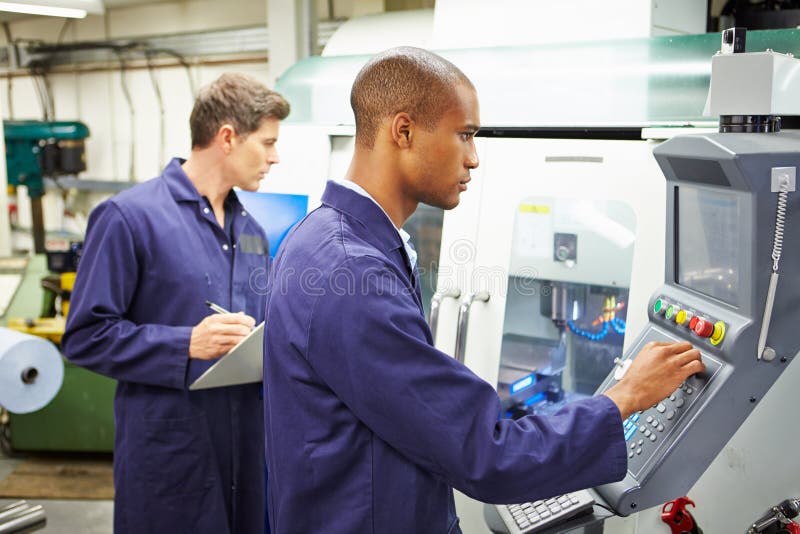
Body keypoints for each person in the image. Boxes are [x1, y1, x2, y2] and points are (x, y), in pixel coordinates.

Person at [262, 47, 704, 533]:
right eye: (465, 135)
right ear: (403, 131)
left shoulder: (320, 237)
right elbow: (487, 455)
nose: (473, 159)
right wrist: (624, 397)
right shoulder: (353, 274)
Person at [62, 73, 289, 533]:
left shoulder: (251, 232)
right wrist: (185, 343)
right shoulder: (129, 217)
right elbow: (85, 336)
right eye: (266, 143)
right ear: (227, 137)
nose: (274, 157)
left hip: (245, 453)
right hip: (169, 456)